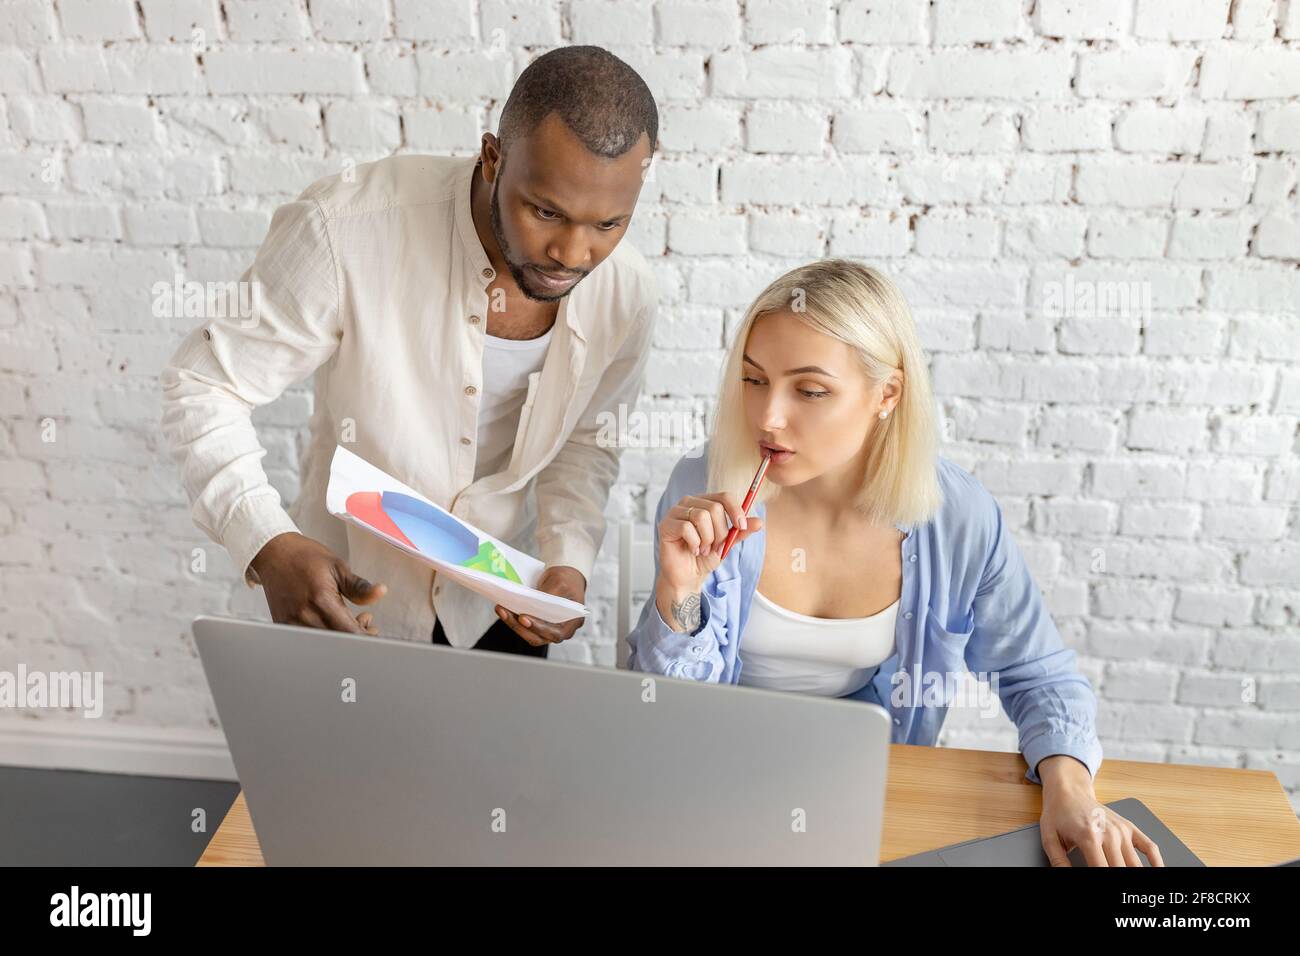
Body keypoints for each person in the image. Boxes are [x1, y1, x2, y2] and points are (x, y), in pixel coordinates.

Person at [626, 259, 1164, 867]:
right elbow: (662, 712)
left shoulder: (955, 517)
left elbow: (1036, 674)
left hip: (869, 790)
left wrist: (1071, 789)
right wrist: (680, 597)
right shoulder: (706, 485)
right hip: (711, 784)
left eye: (809, 390)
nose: (768, 417)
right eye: (754, 380)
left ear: (887, 394)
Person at [161, 46, 659, 657]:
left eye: (608, 224)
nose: (573, 254)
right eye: (546, 211)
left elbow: (584, 444)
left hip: (504, 605)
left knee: (493, 758)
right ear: (493, 157)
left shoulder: (627, 291)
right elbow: (205, 384)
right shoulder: (347, 228)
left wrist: (568, 562)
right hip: (348, 595)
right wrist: (267, 543)